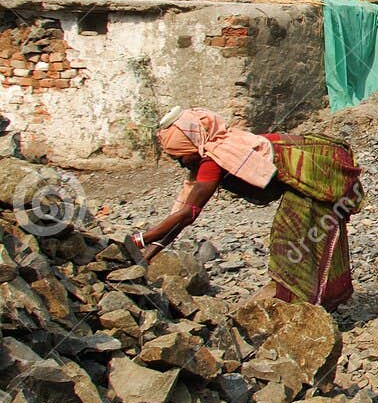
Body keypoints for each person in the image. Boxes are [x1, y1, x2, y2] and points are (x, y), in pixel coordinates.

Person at [133, 109, 363, 309]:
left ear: (192, 147)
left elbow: (187, 213)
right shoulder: (212, 154)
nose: (181, 164)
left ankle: (298, 306)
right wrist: (147, 254)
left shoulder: (216, 158)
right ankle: (309, 300)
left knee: (291, 238)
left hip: (317, 173)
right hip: (307, 175)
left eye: (180, 158)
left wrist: (139, 240)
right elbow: (183, 217)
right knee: (304, 238)